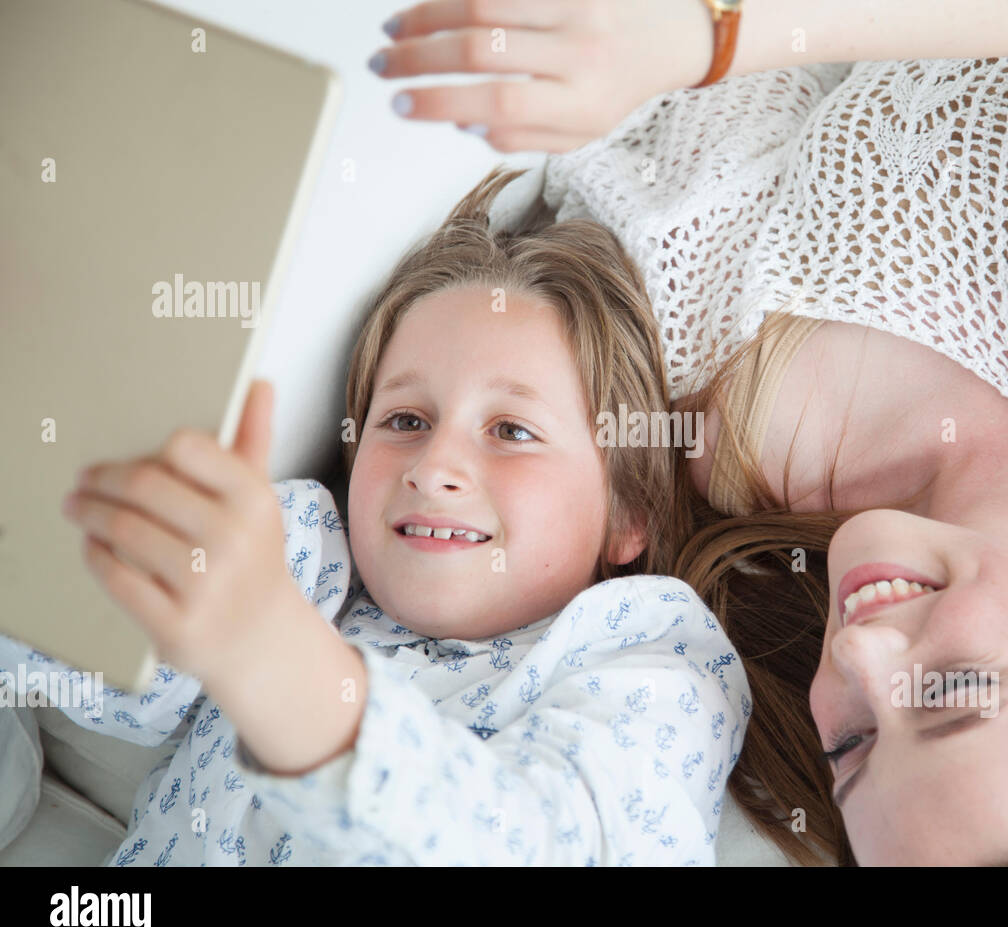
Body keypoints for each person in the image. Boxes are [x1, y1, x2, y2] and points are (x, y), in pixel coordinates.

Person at [371, 0, 1008, 864]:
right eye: (952, 694)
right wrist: (703, 35)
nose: (857, 654)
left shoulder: (706, 505)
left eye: (852, 745)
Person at [0, 167, 746, 865]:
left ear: (630, 511)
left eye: (512, 431)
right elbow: (99, 660)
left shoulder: (649, 658)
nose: (433, 467)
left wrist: (273, 656)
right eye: (405, 420)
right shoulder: (300, 555)